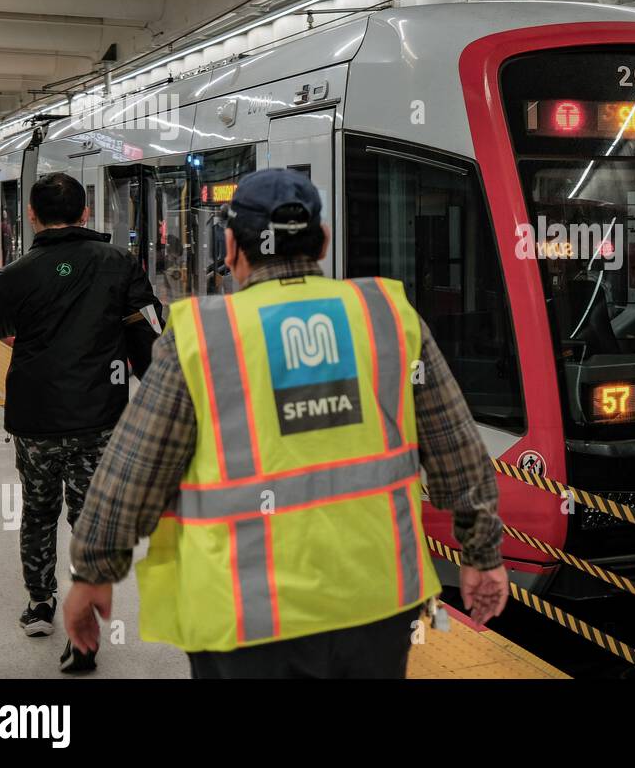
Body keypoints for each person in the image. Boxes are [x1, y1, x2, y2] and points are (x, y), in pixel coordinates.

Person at [63, 168, 508, 678]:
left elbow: (134, 471)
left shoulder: (203, 336)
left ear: (230, 247)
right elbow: (459, 452)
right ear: (321, 243)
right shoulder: (387, 316)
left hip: (244, 619)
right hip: (377, 606)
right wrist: (481, 553)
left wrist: (93, 573)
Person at [0, 172, 161, 673]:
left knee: (39, 512)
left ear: (32, 216)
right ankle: (83, 630)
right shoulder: (120, 263)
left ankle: (40, 605)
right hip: (99, 418)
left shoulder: (17, 274)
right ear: (86, 213)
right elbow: (148, 334)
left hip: (35, 420)